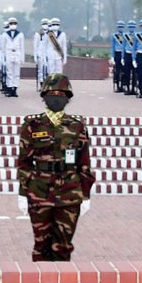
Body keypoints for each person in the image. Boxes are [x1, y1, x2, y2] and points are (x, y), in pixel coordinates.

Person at [16, 73, 94, 261]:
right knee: (41, 246)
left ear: (67, 98)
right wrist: (22, 192)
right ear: (44, 97)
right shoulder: (32, 124)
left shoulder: (77, 125)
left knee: (63, 247)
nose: (56, 97)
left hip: (69, 192)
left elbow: (84, 162)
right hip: (39, 191)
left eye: (61, 94)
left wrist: (85, 194)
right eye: (52, 93)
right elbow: (24, 162)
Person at [0, 17, 24, 98]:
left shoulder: (20, 34)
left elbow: (22, 47)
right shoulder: (5, 34)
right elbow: (3, 47)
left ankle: (15, 89)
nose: (13, 25)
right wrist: (4, 55)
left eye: (14, 24)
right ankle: (9, 89)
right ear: (9, 25)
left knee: (16, 73)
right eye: (11, 24)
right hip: (9, 53)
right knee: (9, 73)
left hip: (17, 53)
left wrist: (22, 58)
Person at [122, 20, 137, 95]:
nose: (132, 28)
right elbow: (123, 47)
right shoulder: (125, 35)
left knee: (135, 73)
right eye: (130, 27)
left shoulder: (138, 36)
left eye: (133, 27)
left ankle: (133, 88)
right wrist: (122, 57)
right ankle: (127, 88)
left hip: (135, 55)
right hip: (127, 54)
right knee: (127, 72)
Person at [111, 21, 125, 93]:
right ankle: (117, 85)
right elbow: (113, 47)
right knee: (117, 70)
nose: (120, 28)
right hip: (117, 53)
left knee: (124, 71)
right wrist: (112, 57)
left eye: (122, 27)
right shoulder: (114, 36)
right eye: (119, 27)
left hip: (124, 54)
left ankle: (123, 85)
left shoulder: (126, 36)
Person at [35, 18, 49, 89]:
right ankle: (41, 84)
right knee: (40, 71)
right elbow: (35, 46)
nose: (45, 25)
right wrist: (35, 56)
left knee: (48, 71)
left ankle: (47, 85)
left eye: (46, 24)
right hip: (40, 55)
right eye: (44, 24)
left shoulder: (50, 34)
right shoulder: (38, 34)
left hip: (48, 55)